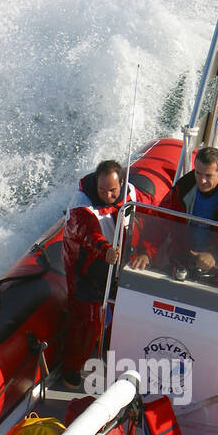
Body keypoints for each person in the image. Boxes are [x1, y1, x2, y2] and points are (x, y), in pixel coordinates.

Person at [61, 159, 144, 389]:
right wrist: (105, 251)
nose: (108, 195)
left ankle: (109, 347)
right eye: (102, 190)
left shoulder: (130, 193)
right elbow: (88, 234)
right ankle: (71, 367)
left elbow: (145, 219)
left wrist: (145, 250)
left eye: (112, 190)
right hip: (86, 267)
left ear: (121, 184)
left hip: (117, 261)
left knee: (121, 312)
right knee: (85, 321)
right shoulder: (82, 207)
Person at [130, 146, 218, 283]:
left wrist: (215, 256)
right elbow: (161, 221)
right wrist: (146, 252)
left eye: (208, 176)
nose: (202, 180)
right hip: (181, 264)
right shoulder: (182, 190)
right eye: (198, 173)